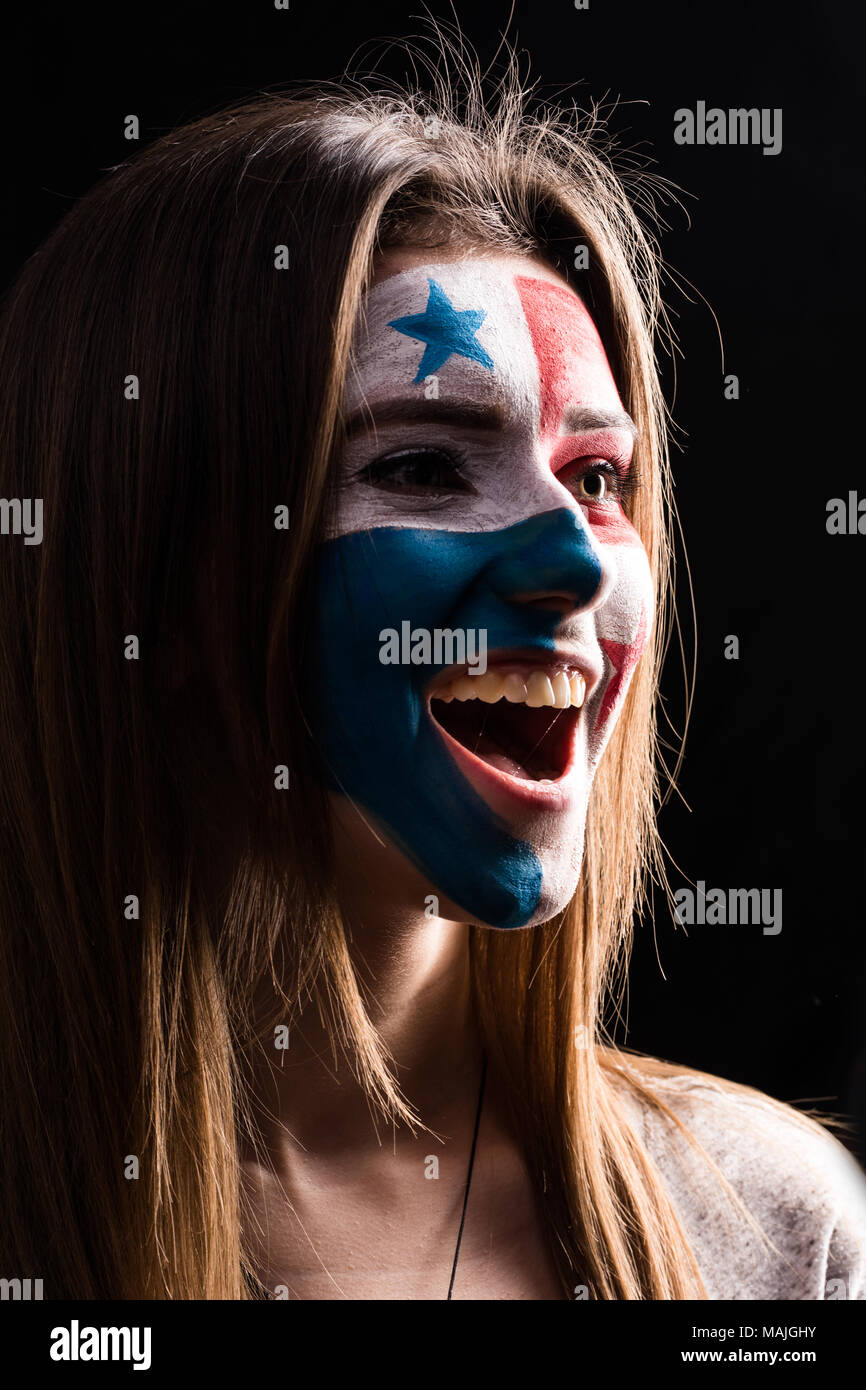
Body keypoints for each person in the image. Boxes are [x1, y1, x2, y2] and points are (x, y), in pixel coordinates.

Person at [1, 52, 864, 1301]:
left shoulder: (780, 1240)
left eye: (597, 479)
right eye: (419, 470)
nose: (573, 559)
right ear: (146, 573)